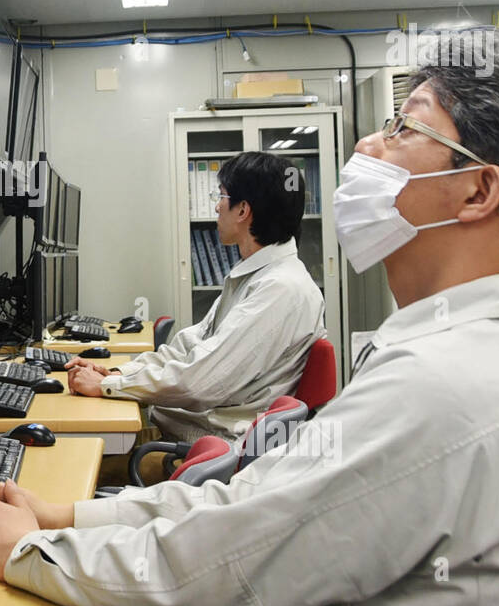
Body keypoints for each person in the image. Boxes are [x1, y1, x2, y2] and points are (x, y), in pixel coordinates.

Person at [0, 35, 499, 606]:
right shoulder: (467, 357)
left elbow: (212, 573)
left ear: (477, 190)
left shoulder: (448, 384)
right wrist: (60, 512)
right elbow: (247, 505)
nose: (364, 148)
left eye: (402, 126)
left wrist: (27, 547)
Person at [65, 150, 326, 444]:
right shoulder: (255, 275)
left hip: (219, 451)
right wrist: (116, 371)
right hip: (194, 432)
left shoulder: (281, 289)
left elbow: (201, 382)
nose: (217, 207)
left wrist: (109, 385)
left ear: (242, 211)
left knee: (81, 450)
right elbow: (189, 348)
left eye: (222, 197)